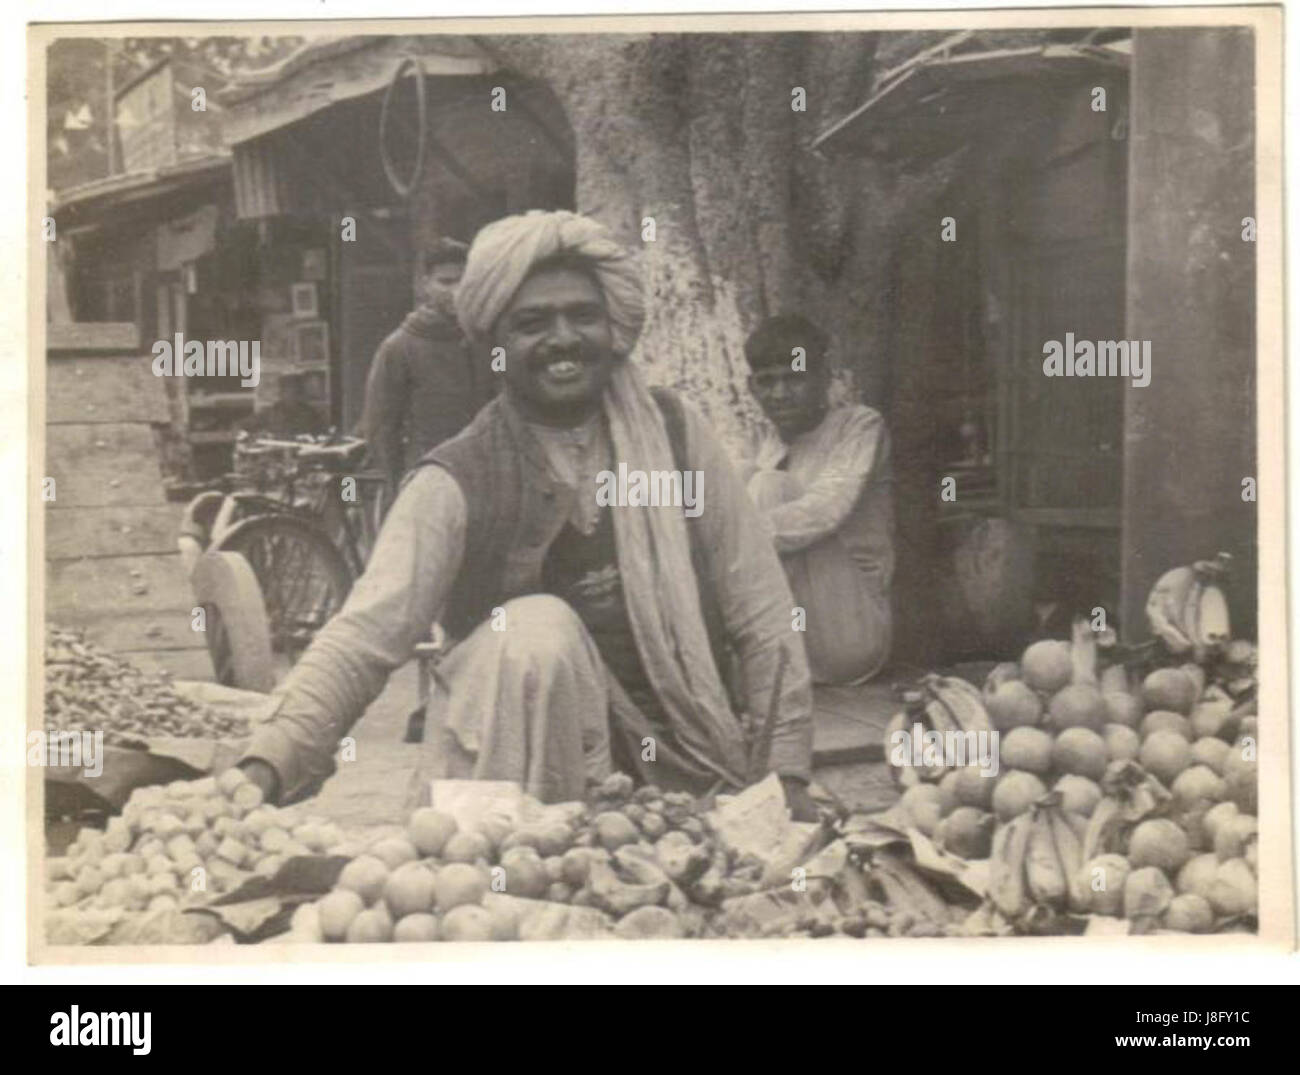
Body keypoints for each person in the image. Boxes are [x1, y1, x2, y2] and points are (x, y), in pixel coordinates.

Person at [238, 211, 817, 820]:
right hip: (514, 792)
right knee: (535, 631)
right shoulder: (457, 477)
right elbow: (362, 637)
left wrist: (789, 772)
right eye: (532, 323)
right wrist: (263, 769)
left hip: (687, 771)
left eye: (582, 316)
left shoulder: (674, 435)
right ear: (494, 342)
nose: (563, 339)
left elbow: (762, 607)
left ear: (611, 328)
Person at [743, 314, 894, 685]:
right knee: (742, 480)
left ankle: (756, 663)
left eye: (794, 378)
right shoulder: (762, 443)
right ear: (751, 388)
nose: (780, 393)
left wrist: (728, 538)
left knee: (766, 488)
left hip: (849, 632)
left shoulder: (859, 426)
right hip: (796, 638)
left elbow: (824, 510)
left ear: (824, 379)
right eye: (768, 381)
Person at [359, 237, 487, 514]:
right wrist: (397, 485)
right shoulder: (400, 347)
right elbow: (381, 426)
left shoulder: (486, 340)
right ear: (426, 284)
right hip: (429, 475)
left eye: (462, 280)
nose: (455, 291)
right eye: (445, 281)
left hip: (487, 476)